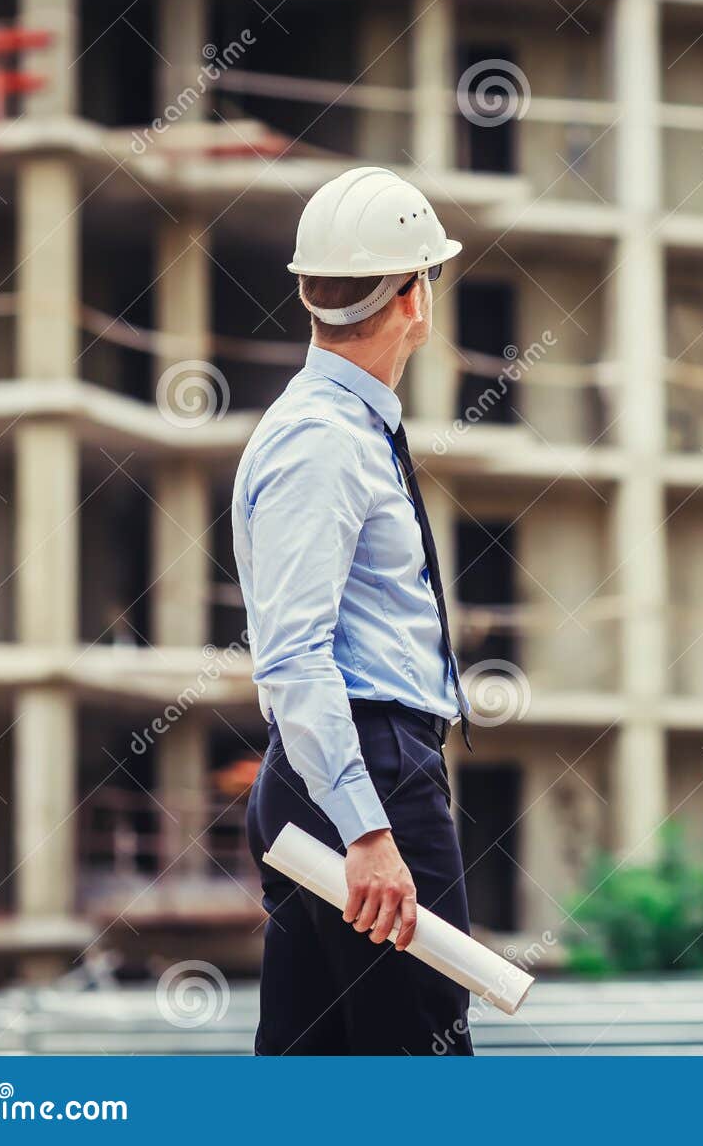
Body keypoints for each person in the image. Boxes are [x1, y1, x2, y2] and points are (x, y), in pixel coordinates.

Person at [235, 167, 473, 1055]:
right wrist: (368, 828)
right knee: (422, 1063)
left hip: (335, 770)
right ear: (414, 296)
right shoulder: (324, 439)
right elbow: (295, 654)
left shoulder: (336, 427)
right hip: (366, 772)